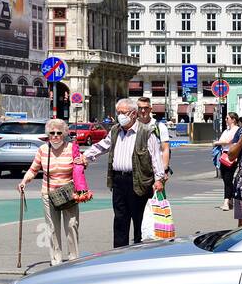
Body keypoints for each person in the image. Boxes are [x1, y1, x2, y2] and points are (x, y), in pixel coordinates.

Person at [84, 97, 166, 248]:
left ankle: (139, 249)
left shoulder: (147, 132)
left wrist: (159, 179)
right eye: (118, 112)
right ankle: (119, 252)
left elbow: (156, 157)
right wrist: (85, 156)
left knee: (138, 218)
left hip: (139, 181)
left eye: (123, 112)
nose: (119, 116)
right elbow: (103, 145)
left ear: (133, 114)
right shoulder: (115, 130)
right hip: (119, 180)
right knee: (120, 218)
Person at [18, 119, 84, 265]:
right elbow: (33, 169)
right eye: (52, 133)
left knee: (72, 225)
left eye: (59, 133)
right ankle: (56, 259)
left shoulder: (72, 148)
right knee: (52, 227)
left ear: (64, 134)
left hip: (69, 194)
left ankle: (74, 258)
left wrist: (83, 162)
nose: (55, 136)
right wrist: (24, 182)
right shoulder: (43, 150)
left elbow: (80, 168)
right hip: (49, 193)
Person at [135, 96, 172, 182]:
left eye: (146, 108)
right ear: (137, 109)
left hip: (155, 171)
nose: (143, 111)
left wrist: (165, 170)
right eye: (140, 108)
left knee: (156, 194)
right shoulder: (133, 126)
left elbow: (165, 149)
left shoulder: (159, 126)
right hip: (136, 171)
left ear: (150, 109)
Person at [213, 112, 241, 212]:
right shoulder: (226, 130)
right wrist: (220, 142)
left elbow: (228, 141)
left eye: (227, 118)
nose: (226, 120)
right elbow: (223, 140)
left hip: (232, 155)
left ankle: (226, 202)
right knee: (225, 178)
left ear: (233, 120)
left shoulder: (236, 130)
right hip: (224, 155)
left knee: (228, 178)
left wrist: (216, 142)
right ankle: (231, 200)